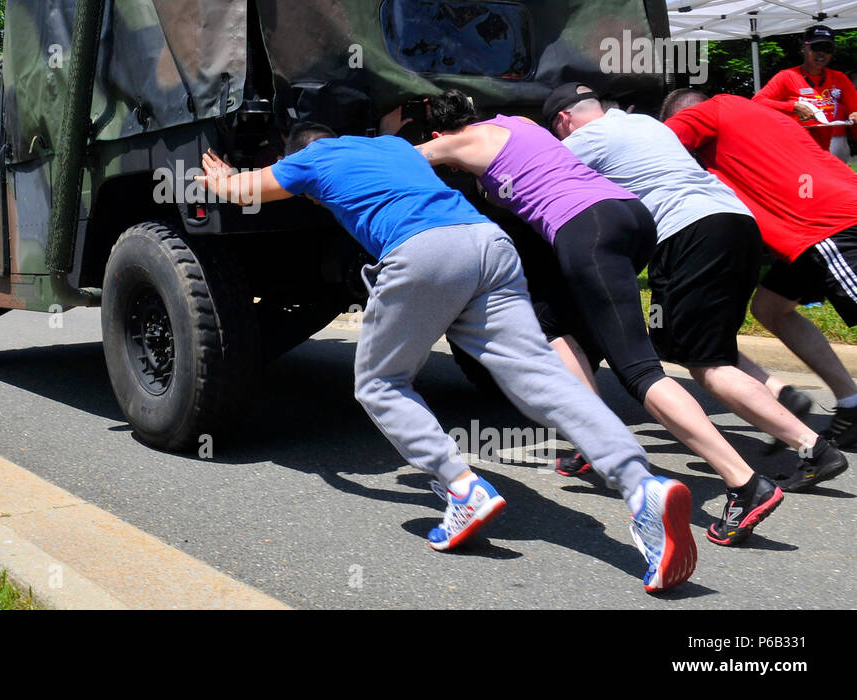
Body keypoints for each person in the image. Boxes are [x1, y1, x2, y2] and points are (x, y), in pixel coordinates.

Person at [196, 125, 697, 592]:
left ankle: (462, 489)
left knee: (380, 384)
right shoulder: (392, 147)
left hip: (423, 253)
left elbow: (247, 193)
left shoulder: (311, 157)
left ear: (298, 151)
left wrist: (221, 181)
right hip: (488, 245)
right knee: (544, 378)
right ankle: (641, 486)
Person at [417, 92, 782, 546]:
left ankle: (745, 484)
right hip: (630, 218)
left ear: (441, 134)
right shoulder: (518, 124)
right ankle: (597, 438)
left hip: (586, 230)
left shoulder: (457, 142)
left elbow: (398, 160)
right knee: (552, 324)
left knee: (639, 369)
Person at [546, 84, 846, 492]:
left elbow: (539, 176)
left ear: (564, 120)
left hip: (687, 233)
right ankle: (780, 397)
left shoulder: (584, 138)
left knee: (704, 363)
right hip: (737, 224)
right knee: (690, 340)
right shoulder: (646, 125)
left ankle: (811, 446)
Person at [662, 88, 857, 454]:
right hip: (809, 232)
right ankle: (851, 404)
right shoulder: (750, 111)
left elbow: (652, 145)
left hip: (831, 225)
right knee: (769, 309)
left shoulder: (708, 112)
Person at [753, 25, 855, 157]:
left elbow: (854, 108)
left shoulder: (839, 78)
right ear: (803, 48)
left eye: (827, 49)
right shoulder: (787, 76)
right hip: (793, 151)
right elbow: (757, 101)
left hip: (824, 150)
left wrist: (854, 115)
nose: (821, 54)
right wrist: (793, 107)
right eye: (816, 47)